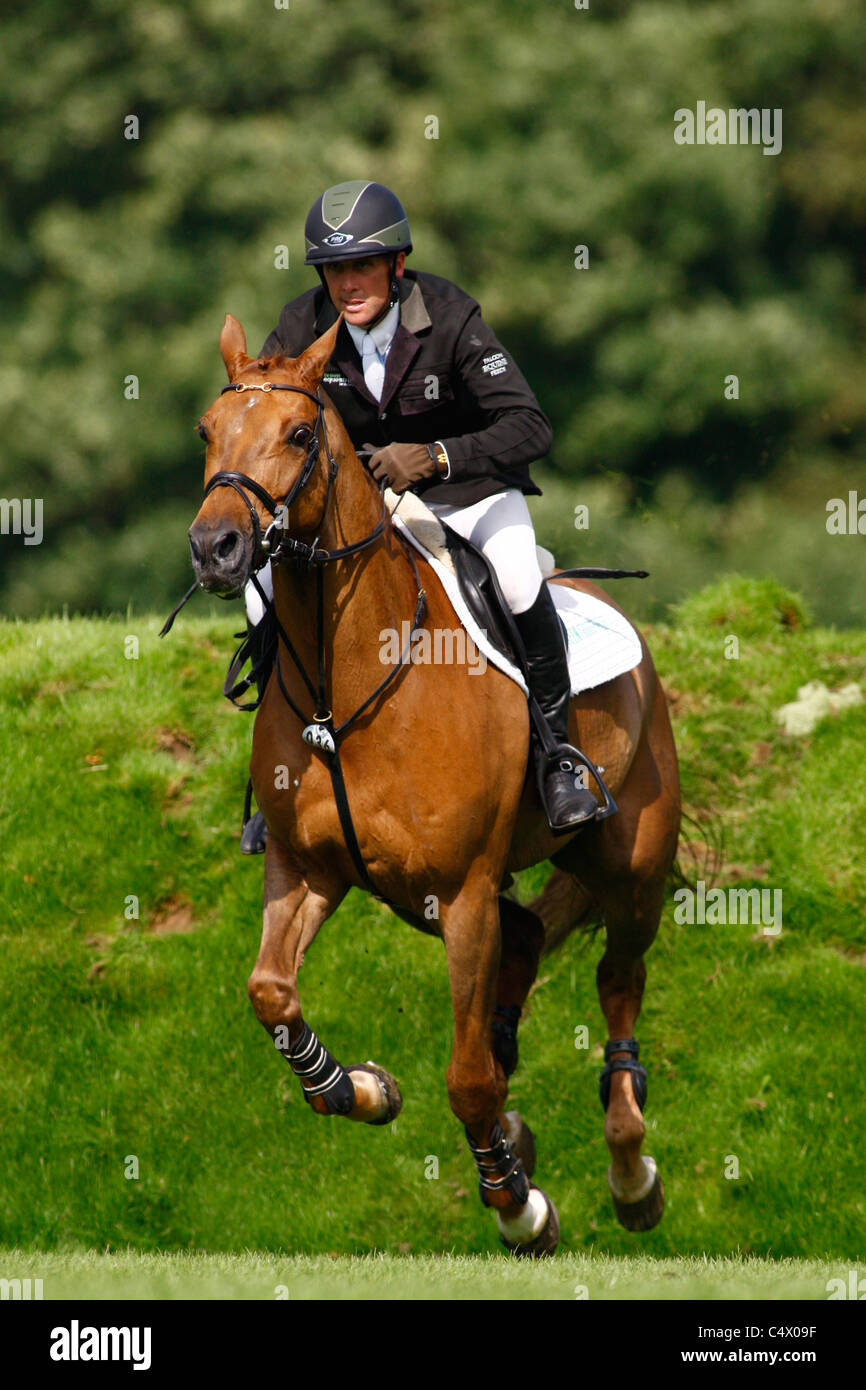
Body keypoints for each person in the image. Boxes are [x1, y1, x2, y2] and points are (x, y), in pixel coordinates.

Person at [239, 180, 598, 853]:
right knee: (262, 600)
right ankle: (277, 778)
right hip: (357, 513)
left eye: (363, 267)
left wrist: (433, 456)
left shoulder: (452, 317)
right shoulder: (298, 327)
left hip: (467, 496)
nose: (349, 285)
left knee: (519, 578)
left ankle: (559, 758)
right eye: (336, 269)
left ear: (396, 264)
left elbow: (529, 425)